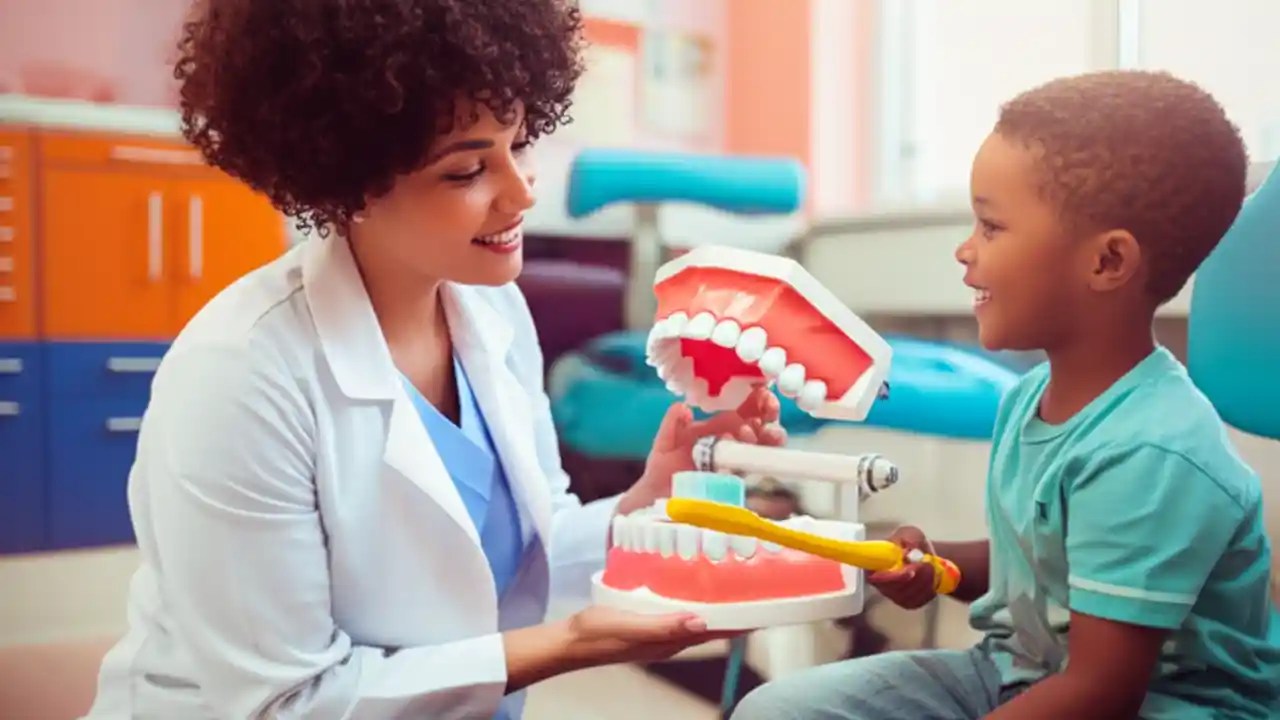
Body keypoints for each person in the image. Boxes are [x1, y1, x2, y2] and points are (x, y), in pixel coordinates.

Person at [81, 1, 786, 718]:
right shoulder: (240, 375)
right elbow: (286, 704)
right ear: (348, 178)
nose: (522, 192)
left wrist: (647, 502)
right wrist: (569, 645)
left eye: (521, 143)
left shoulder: (492, 311)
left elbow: (525, 560)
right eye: (468, 171)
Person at [731, 70, 1280, 719]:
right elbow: (1047, 567)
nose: (965, 250)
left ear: (1106, 262)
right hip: (1016, 671)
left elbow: (1100, 690)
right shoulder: (1029, 400)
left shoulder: (1156, 452)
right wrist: (939, 565)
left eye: (991, 227)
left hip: (1158, 705)